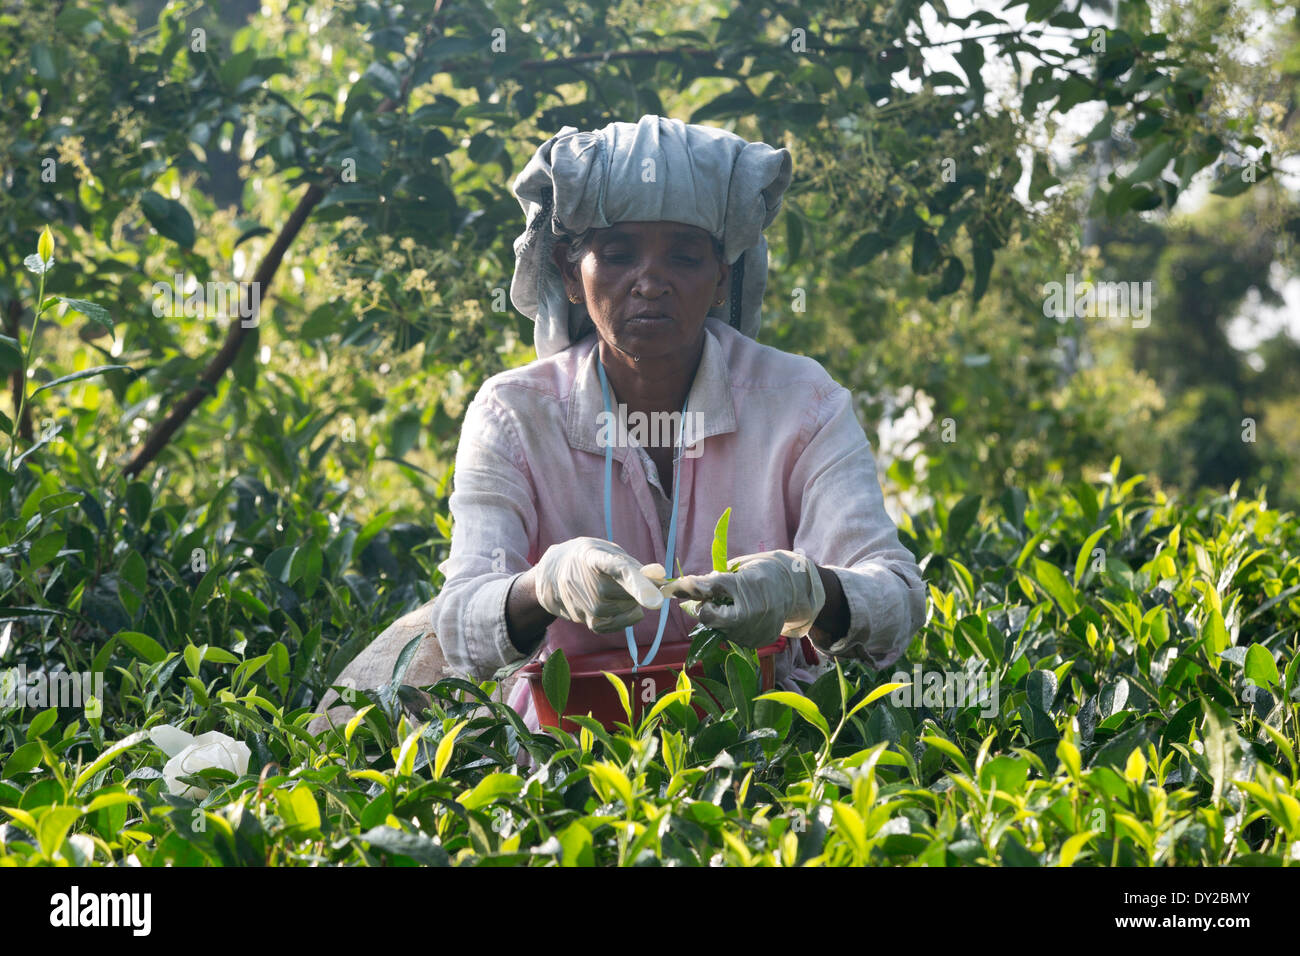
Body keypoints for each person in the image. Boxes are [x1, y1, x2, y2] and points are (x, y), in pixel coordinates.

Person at [422, 114, 928, 734]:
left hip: (767, 745)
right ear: (567, 273)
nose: (650, 282)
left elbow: (898, 597)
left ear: (722, 277)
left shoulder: (802, 402)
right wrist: (543, 588)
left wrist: (808, 591)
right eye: (617, 254)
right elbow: (459, 623)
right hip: (568, 757)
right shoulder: (512, 415)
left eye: (684, 256)